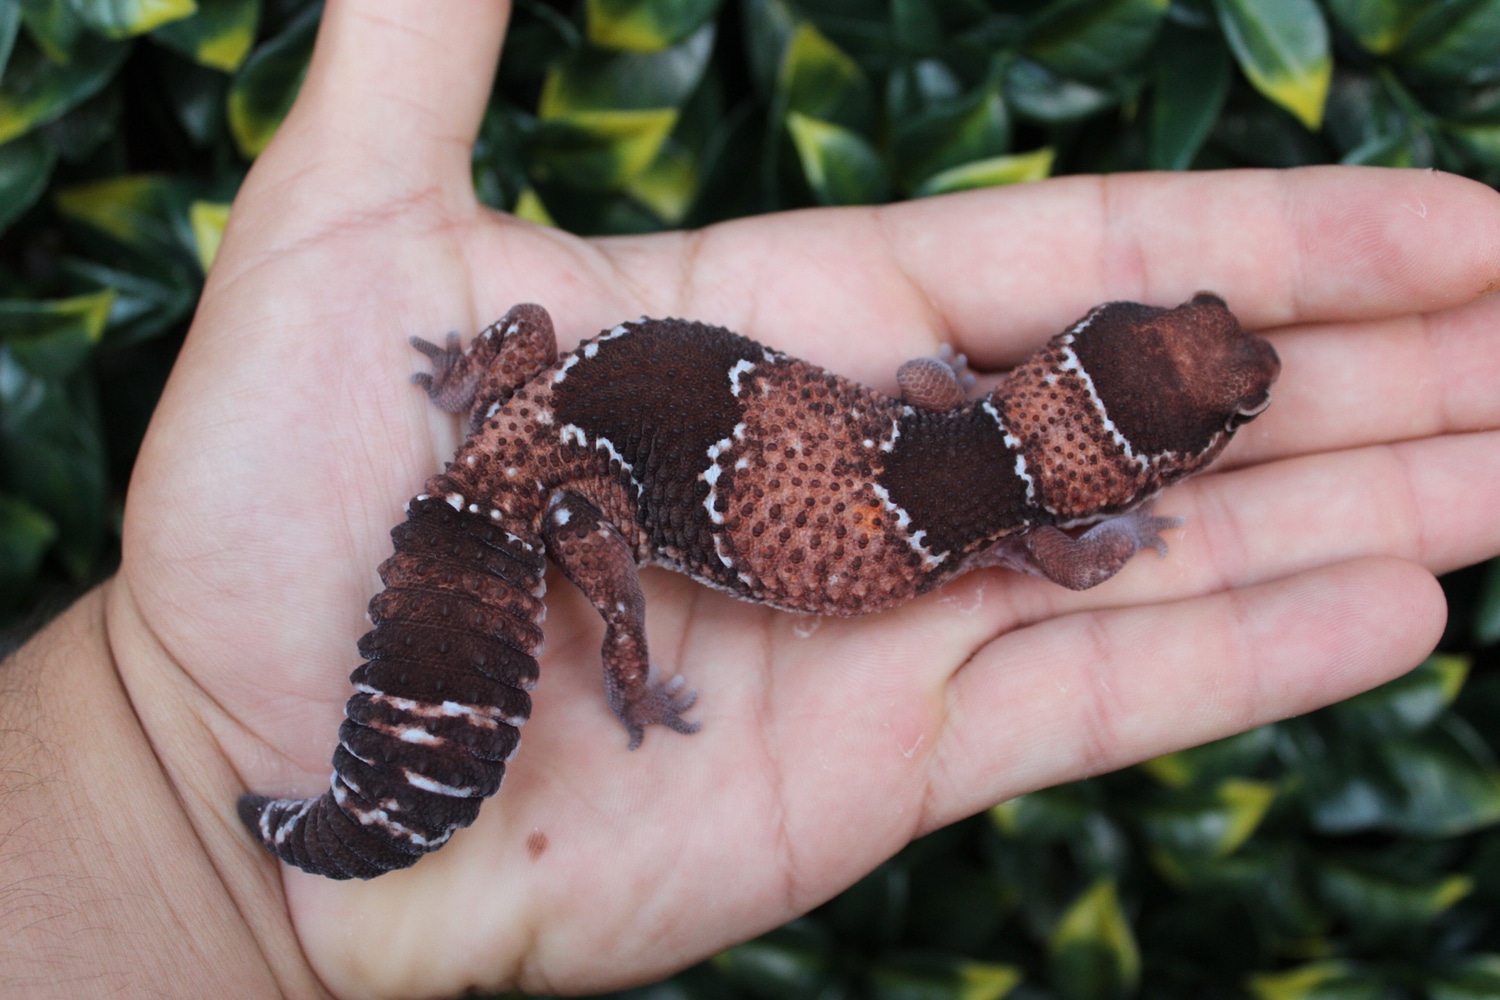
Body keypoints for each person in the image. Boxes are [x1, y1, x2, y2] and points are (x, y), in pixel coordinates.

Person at [4, 1, 1499, 996]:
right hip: (582, 470)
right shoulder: (1033, 525)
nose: (1234, 362)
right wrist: (631, 675)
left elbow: (925, 380)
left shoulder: (965, 411)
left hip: (554, 400)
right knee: (592, 551)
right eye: (1215, 365)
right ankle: (556, 710)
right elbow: (1061, 554)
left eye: (1215, 385)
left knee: (547, 436)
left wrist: (482, 383)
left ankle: (376, 736)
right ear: (1146, 454)